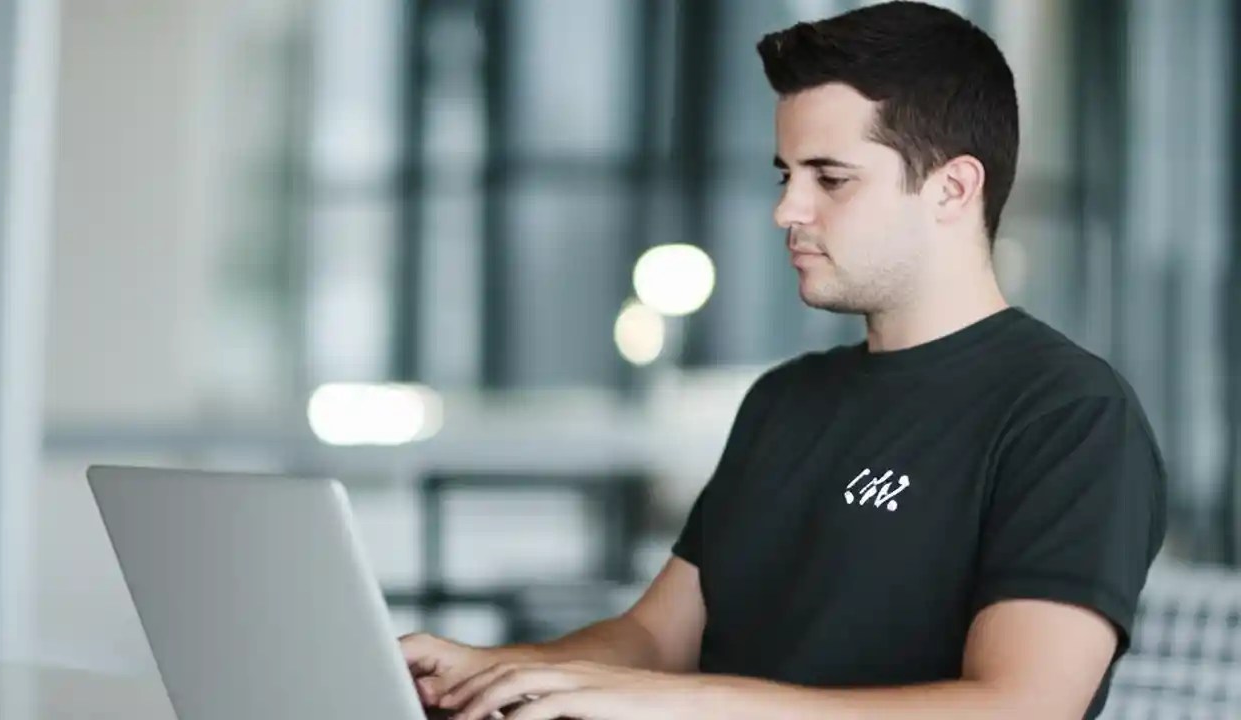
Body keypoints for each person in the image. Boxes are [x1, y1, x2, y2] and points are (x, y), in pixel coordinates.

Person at [401, 2, 1167, 718]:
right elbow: (657, 639)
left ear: (953, 189)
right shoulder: (784, 399)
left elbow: (1019, 707)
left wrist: (681, 705)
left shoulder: (1068, 414)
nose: (787, 211)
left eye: (829, 179)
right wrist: (492, 669)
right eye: (785, 175)